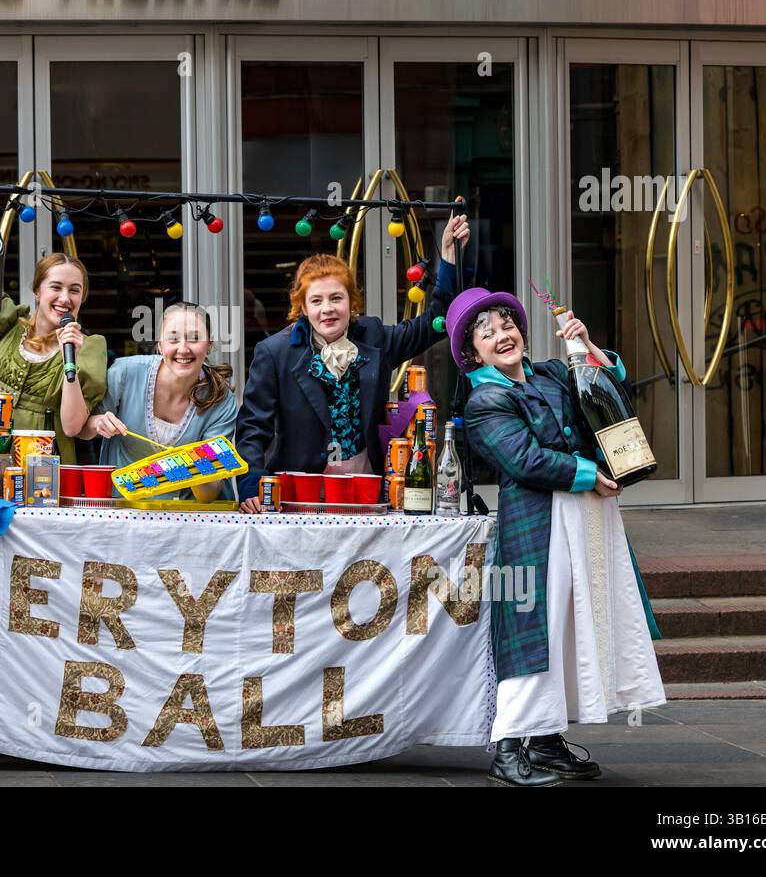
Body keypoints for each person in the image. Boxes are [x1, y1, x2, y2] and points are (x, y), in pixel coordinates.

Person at [450, 287, 665, 787]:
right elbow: (523, 460)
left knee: (570, 630)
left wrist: (589, 347)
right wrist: (590, 474)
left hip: (584, 519)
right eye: (489, 333)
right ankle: (508, 750)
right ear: (470, 352)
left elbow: (607, 390)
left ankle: (545, 742)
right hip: (537, 526)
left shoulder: (549, 371)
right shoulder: (484, 400)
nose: (503, 336)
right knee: (534, 632)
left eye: (508, 326)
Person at [234, 212, 470, 512]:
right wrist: (251, 485)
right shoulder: (275, 352)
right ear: (303, 308)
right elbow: (253, 427)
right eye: (316, 301)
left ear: (352, 301)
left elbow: (433, 324)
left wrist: (448, 255)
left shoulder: (373, 337)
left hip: (366, 489)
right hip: (298, 491)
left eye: (336, 298)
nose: (327, 309)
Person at [0, 217, 107, 465]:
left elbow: (72, 427)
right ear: (38, 291)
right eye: (55, 287)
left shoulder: (88, 348)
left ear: (83, 297)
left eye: (75, 290)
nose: (65, 298)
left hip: (42, 467)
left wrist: (72, 365)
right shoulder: (9, 324)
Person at [81, 302, 239, 501]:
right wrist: (97, 423)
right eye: (173, 338)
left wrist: (198, 467)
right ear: (160, 344)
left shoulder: (221, 400)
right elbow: (81, 429)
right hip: (124, 511)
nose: (183, 349)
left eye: (195, 338)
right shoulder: (124, 373)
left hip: (188, 517)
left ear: (209, 345)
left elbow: (209, 493)